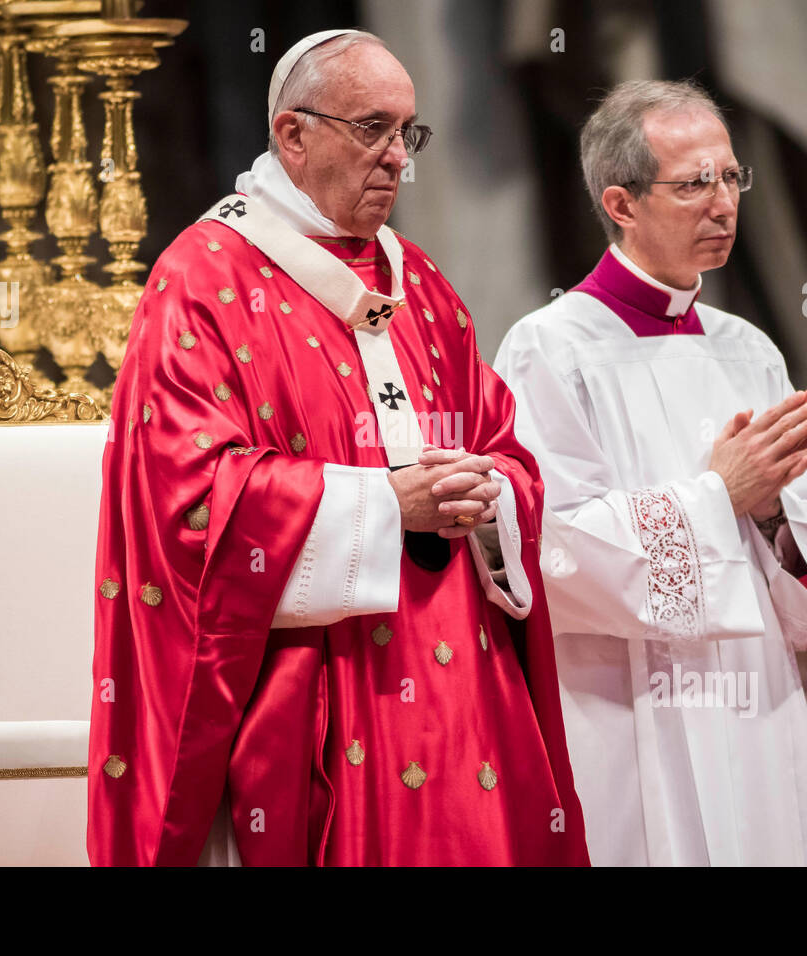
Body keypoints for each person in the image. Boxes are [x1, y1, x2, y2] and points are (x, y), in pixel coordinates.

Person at [86, 29, 589, 866]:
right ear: (293, 134)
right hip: (315, 683)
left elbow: (505, 449)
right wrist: (386, 505)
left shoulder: (420, 284)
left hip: (462, 680)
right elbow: (186, 498)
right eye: (372, 129)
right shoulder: (203, 280)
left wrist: (488, 490)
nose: (398, 159)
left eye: (408, 134)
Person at [492, 79, 807, 865]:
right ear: (621, 203)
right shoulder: (549, 349)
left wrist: (770, 514)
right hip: (627, 709)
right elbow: (550, 545)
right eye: (695, 183)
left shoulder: (748, 350)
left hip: (755, 701)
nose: (724, 203)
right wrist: (717, 496)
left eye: (732, 178)